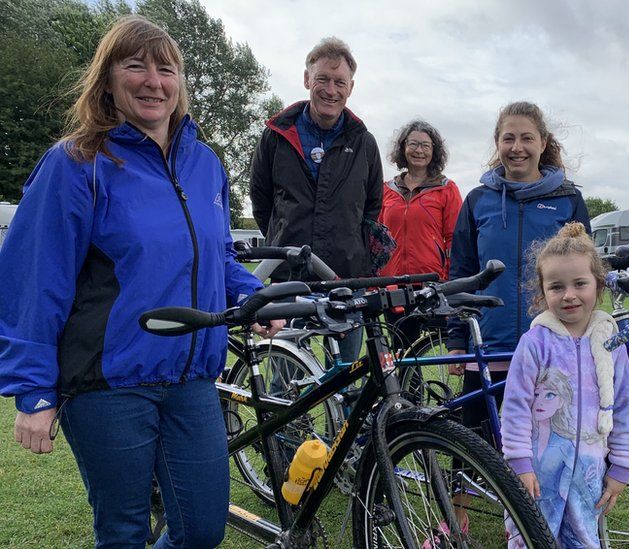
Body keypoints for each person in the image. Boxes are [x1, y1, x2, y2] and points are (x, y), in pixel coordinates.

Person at [0, 15, 283, 547]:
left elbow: (214, 257)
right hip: (110, 382)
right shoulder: (77, 162)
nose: (153, 81)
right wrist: (34, 392)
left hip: (193, 376)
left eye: (166, 68)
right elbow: (33, 281)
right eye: (136, 66)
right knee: (124, 531)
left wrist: (252, 293)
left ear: (180, 83)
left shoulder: (205, 165)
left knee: (200, 528)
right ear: (107, 79)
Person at [446, 101, 591, 434]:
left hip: (550, 344)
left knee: (544, 449)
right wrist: (457, 340)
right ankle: (467, 489)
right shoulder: (477, 201)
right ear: (497, 143)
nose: (517, 148)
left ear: (543, 142)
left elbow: (585, 278)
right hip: (486, 344)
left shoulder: (569, 201)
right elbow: (461, 272)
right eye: (508, 138)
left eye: (527, 138)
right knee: (475, 452)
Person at [501, 222, 629, 548]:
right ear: (542, 291)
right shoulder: (535, 343)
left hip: (588, 479)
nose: (569, 295)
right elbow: (516, 407)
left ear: (598, 285)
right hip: (535, 477)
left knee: (583, 542)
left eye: (580, 283)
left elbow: (623, 407)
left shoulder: (611, 344)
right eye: (556, 287)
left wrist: (621, 467)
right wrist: (519, 463)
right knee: (529, 541)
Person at [249, 36, 382, 362]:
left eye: (340, 82)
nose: (330, 90)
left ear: (351, 87)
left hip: (345, 279)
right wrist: (286, 236)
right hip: (288, 278)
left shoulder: (364, 142)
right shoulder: (276, 136)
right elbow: (261, 199)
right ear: (307, 79)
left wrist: (350, 244)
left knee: (346, 379)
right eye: (322, 79)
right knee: (287, 382)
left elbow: (372, 207)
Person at [378, 120, 462, 349]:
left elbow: (454, 237)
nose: (419, 150)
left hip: (430, 282)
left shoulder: (446, 188)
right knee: (400, 353)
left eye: (426, 145)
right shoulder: (386, 189)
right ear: (403, 148)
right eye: (413, 144)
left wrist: (446, 277)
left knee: (438, 347)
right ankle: (408, 387)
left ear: (434, 151)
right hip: (393, 283)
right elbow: (375, 238)